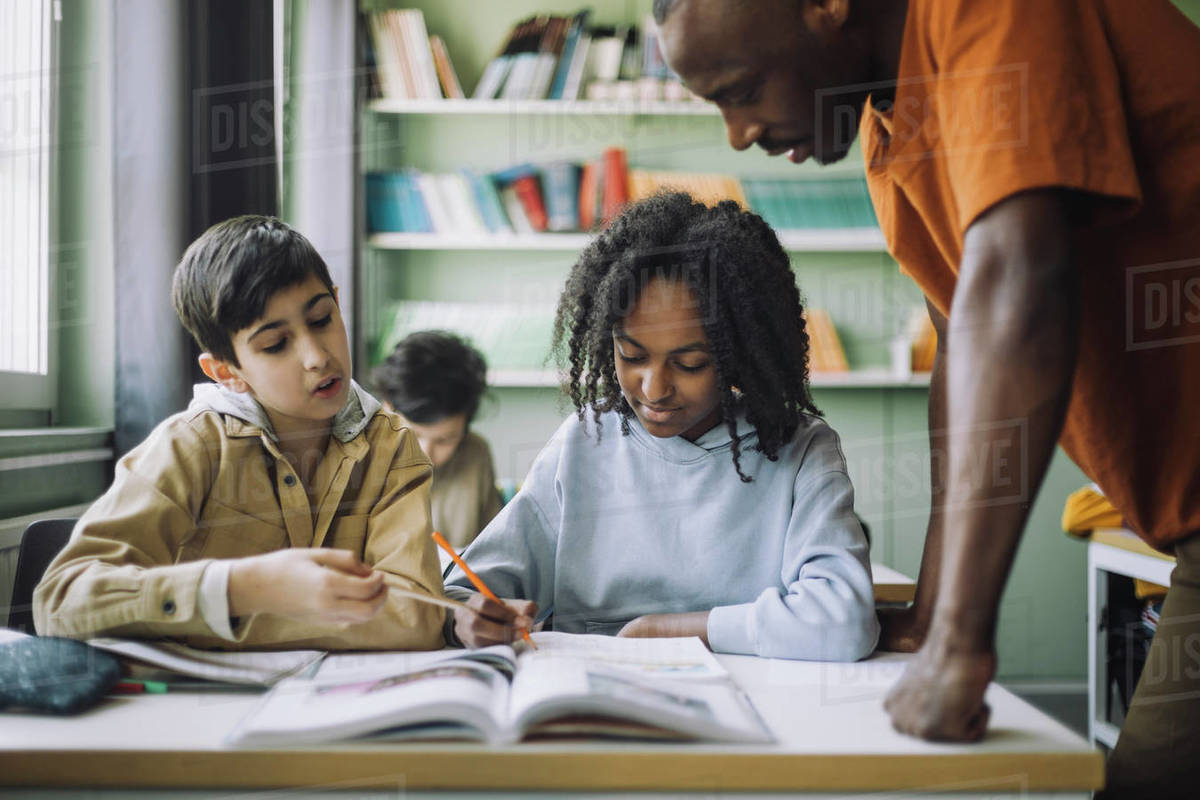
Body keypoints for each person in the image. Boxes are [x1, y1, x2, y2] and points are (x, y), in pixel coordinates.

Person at [655, 0, 1200, 792]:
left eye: (740, 89)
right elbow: (963, 343)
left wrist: (962, 644)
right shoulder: (887, 121)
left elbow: (1020, 279)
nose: (738, 133)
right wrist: (932, 618)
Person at [444, 192, 879, 661]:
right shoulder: (583, 442)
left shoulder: (802, 450)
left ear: (739, 357)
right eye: (631, 356)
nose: (653, 389)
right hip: (591, 705)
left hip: (753, 712)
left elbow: (843, 622)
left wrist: (671, 630)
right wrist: (467, 618)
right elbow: (462, 594)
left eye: (690, 364)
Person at [34, 216, 445, 650]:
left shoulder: (391, 445)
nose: (317, 356)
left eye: (322, 318)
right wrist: (242, 588)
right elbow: (61, 600)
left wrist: (214, 623)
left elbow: (414, 616)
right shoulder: (190, 446)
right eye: (275, 345)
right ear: (226, 372)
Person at [372, 331, 502, 551]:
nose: (426, 453)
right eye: (413, 435)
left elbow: (493, 549)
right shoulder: (357, 458)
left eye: (445, 441)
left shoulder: (475, 453)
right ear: (386, 407)